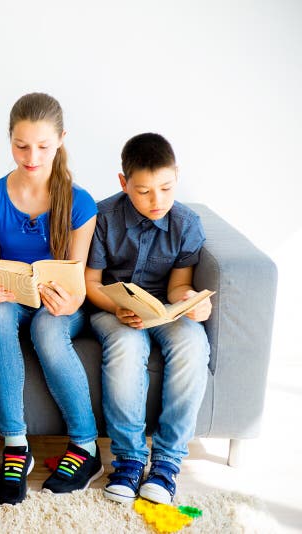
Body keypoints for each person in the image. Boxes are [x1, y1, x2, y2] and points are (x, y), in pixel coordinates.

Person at [0, 92, 101, 505]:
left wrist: (67, 301)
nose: (32, 156)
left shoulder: (79, 202)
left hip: (60, 307)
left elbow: (78, 283)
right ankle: (15, 444)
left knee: (47, 328)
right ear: (9, 140)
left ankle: (86, 447)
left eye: (43, 146)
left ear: (61, 139)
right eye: (22, 145)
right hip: (11, 298)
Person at [85, 132, 211, 505]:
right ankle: (128, 459)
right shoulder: (104, 217)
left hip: (163, 311)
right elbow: (91, 283)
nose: (157, 201)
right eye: (143, 191)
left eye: (166, 188)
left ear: (176, 176)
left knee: (192, 341)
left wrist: (188, 301)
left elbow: (178, 287)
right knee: (127, 343)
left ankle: (167, 462)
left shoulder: (186, 224)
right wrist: (116, 308)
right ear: (123, 184)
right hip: (113, 306)